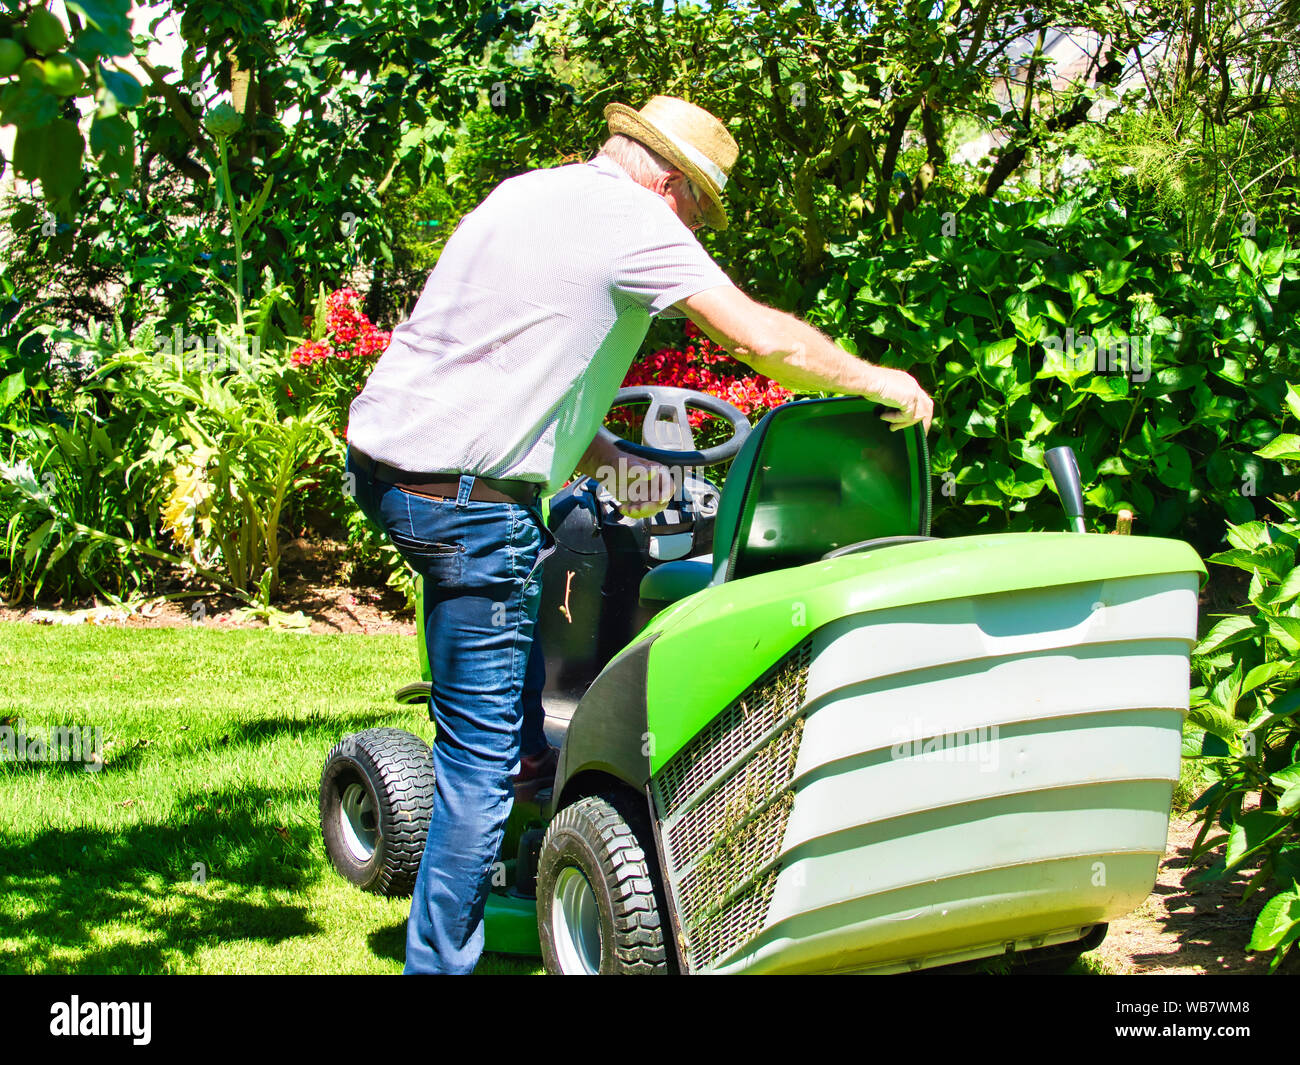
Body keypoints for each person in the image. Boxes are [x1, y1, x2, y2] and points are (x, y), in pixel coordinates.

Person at [344, 95, 933, 975]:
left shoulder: (525, 196)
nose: (699, 229)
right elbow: (763, 341)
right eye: (700, 208)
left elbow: (536, 389)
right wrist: (881, 380)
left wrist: (647, 480)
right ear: (668, 183)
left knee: (502, 700)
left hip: (393, 474)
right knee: (477, 761)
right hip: (472, 507)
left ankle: (531, 787)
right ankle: (441, 962)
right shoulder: (634, 220)